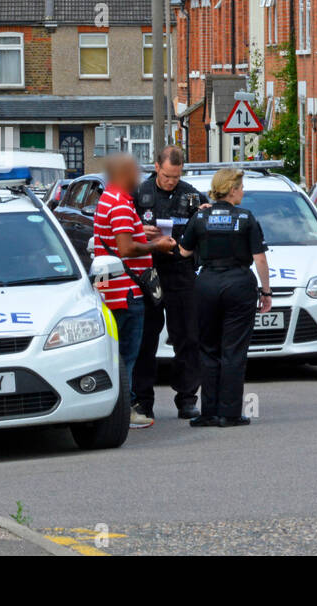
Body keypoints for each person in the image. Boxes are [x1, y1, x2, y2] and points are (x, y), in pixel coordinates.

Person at [92, 153, 181, 429]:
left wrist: (140, 232)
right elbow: (126, 248)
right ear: (124, 175)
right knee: (128, 355)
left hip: (110, 288)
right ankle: (125, 409)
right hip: (126, 291)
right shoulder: (119, 203)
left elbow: (118, 237)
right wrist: (157, 246)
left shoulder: (108, 198)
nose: (139, 179)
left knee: (115, 352)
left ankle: (116, 406)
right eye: (135, 173)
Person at [180, 168, 272, 427]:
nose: (243, 192)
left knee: (208, 349)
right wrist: (266, 291)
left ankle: (208, 411)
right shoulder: (246, 218)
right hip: (238, 284)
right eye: (241, 187)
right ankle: (229, 413)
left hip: (207, 283)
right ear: (231, 190)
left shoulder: (201, 217)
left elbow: (184, 252)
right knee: (234, 350)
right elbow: (260, 258)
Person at [131, 146, 210, 422]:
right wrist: (142, 230)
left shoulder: (191, 194)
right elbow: (124, 231)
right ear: (156, 167)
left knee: (187, 337)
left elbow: (207, 228)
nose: (170, 182)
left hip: (181, 272)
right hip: (150, 274)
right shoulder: (139, 194)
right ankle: (142, 401)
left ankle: (187, 399)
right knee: (145, 340)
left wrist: (205, 214)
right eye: (166, 176)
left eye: (175, 177)